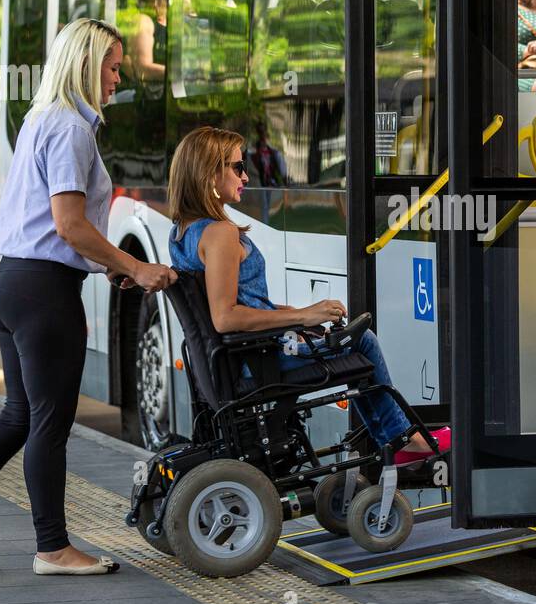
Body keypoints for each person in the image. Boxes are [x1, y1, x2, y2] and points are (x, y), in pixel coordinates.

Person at [0, 18, 177, 577]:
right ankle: (53, 548)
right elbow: (67, 224)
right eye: (112, 67)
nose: (117, 79)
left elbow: (55, 222)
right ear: (87, 65)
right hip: (43, 292)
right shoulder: (70, 128)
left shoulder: (41, 119)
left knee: (19, 416)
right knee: (49, 423)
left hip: (11, 281)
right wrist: (135, 265)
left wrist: (108, 266)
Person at [166, 126, 449, 463]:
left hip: (241, 359)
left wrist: (301, 318)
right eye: (238, 167)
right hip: (257, 362)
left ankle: (396, 437)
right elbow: (226, 316)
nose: (246, 175)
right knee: (361, 340)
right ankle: (404, 442)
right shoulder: (220, 233)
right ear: (209, 173)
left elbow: (244, 303)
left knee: (344, 336)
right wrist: (303, 316)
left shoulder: (182, 232)